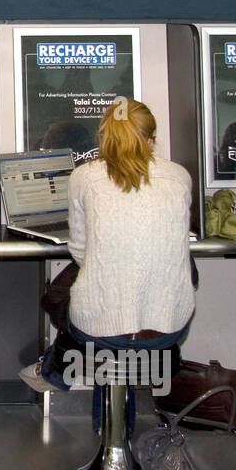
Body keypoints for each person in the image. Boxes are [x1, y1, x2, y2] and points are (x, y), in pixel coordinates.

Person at [24, 99, 194, 398]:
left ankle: (54, 365)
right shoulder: (179, 176)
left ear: (103, 138)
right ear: (152, 140)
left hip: (97, 329)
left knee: (68, 290)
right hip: (169, 329)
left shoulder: (85, 176)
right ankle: (57, 365)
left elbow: (80, 252)